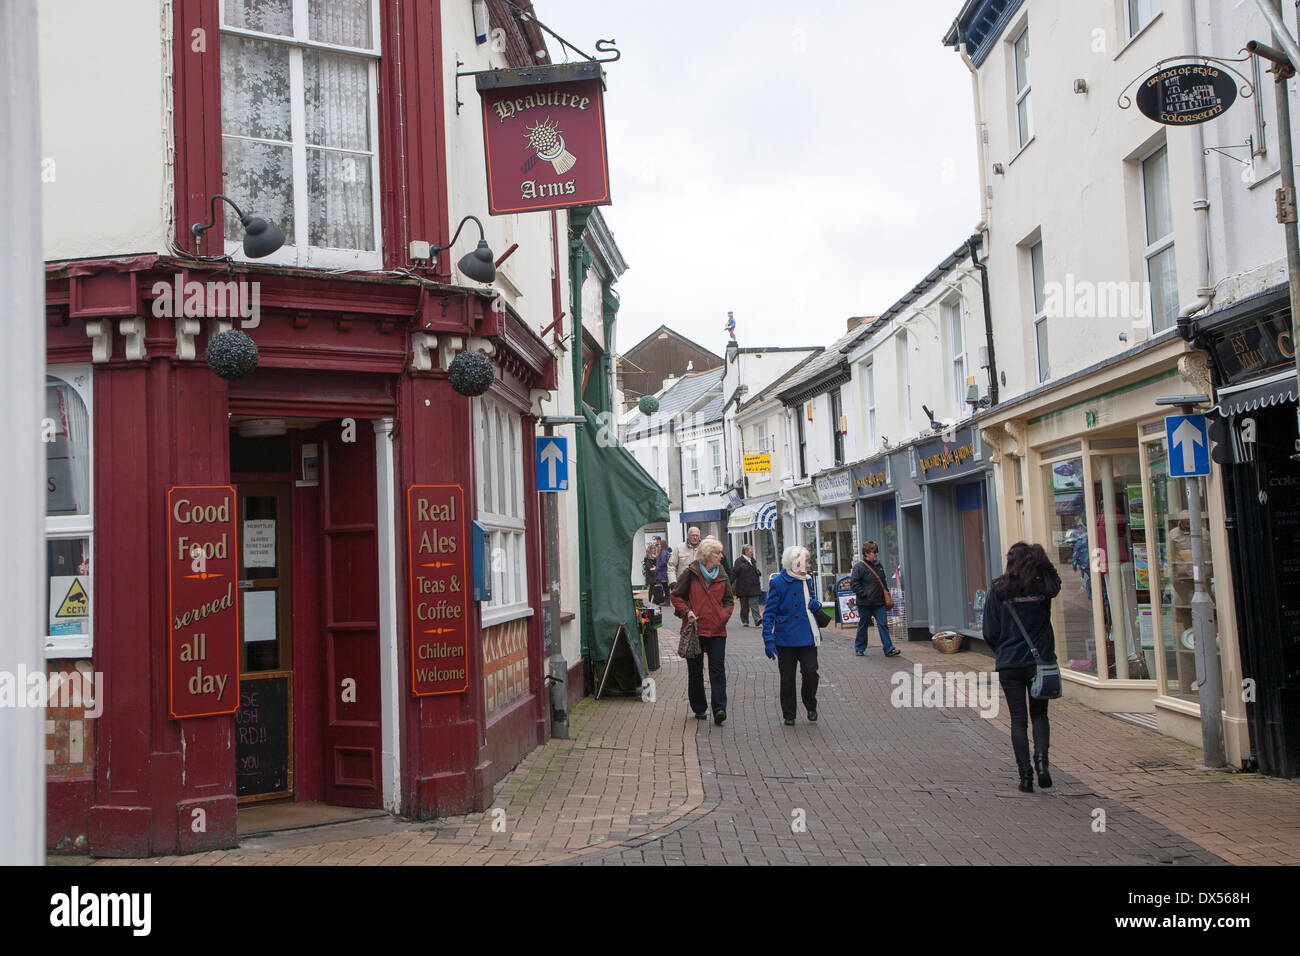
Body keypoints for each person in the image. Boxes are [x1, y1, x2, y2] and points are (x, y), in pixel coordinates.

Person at [982, 542, 1063, 793]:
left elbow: (989, 631)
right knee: (1039, 715)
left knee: (1018, 720)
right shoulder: (1043, 587)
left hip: (1009, 664)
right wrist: (1043, 558)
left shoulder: (999, 589)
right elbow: (1056, 581)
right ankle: (1041, 763)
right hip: (1039, 664)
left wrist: (1003, 651)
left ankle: (1025, 776)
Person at [670, 536, 734, 725]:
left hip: (717, 630)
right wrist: (687, 611)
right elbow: (676, 597)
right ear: (707, 555)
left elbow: (729, 600)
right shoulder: (691, 573)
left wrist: (723, 616)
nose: (721, 557)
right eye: (717, 553)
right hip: (695, 630)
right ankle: (699, 708)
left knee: (717, 670)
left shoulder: (722, 574)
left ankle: (719, 709)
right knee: (696, 672)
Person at [762, 546, 823, 725]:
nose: (809, 564)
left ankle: (810, 704)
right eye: (806, 560)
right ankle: (789, 714)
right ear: (795, 562)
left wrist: (816, 605)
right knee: (787, 678)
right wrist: (768, 638)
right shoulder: (778, 583)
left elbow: (810, 601)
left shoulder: (808, 580)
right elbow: (769, 613)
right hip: (786, 638)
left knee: (811, 673)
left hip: (807, 635)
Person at [849, 541, 899, 657]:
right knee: (863, 625)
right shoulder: (859, 567)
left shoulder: (878, 565)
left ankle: (889, 648)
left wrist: (886, 594)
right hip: (865, 602)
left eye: (876, 553)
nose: (875, 555)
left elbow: (883, 581)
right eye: (873, 553)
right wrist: (864, 594)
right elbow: (854, 584)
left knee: (883, 624)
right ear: (866, 553)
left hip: (879, 602)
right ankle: (859, 648)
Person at [732, 545, 763, 626]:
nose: (752, 552)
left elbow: (754, 570)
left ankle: (757, 619)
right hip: (743, 588)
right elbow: (734, 573)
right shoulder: (739, 561)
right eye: (751, 551)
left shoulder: (753, 560)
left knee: (754, 604)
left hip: (754, 587)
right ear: (745, 552)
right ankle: (745, 621)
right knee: (744, 606)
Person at [651, 537, 671, 605]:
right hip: (661, 572)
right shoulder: (661, 552)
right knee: (664, 586)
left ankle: (667, 601)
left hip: (662, 573)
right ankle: (665, 600)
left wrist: (656, 568)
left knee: (665, 587)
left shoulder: (664, 553)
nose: (658, 546)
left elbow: (662, 563)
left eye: (659, 544)